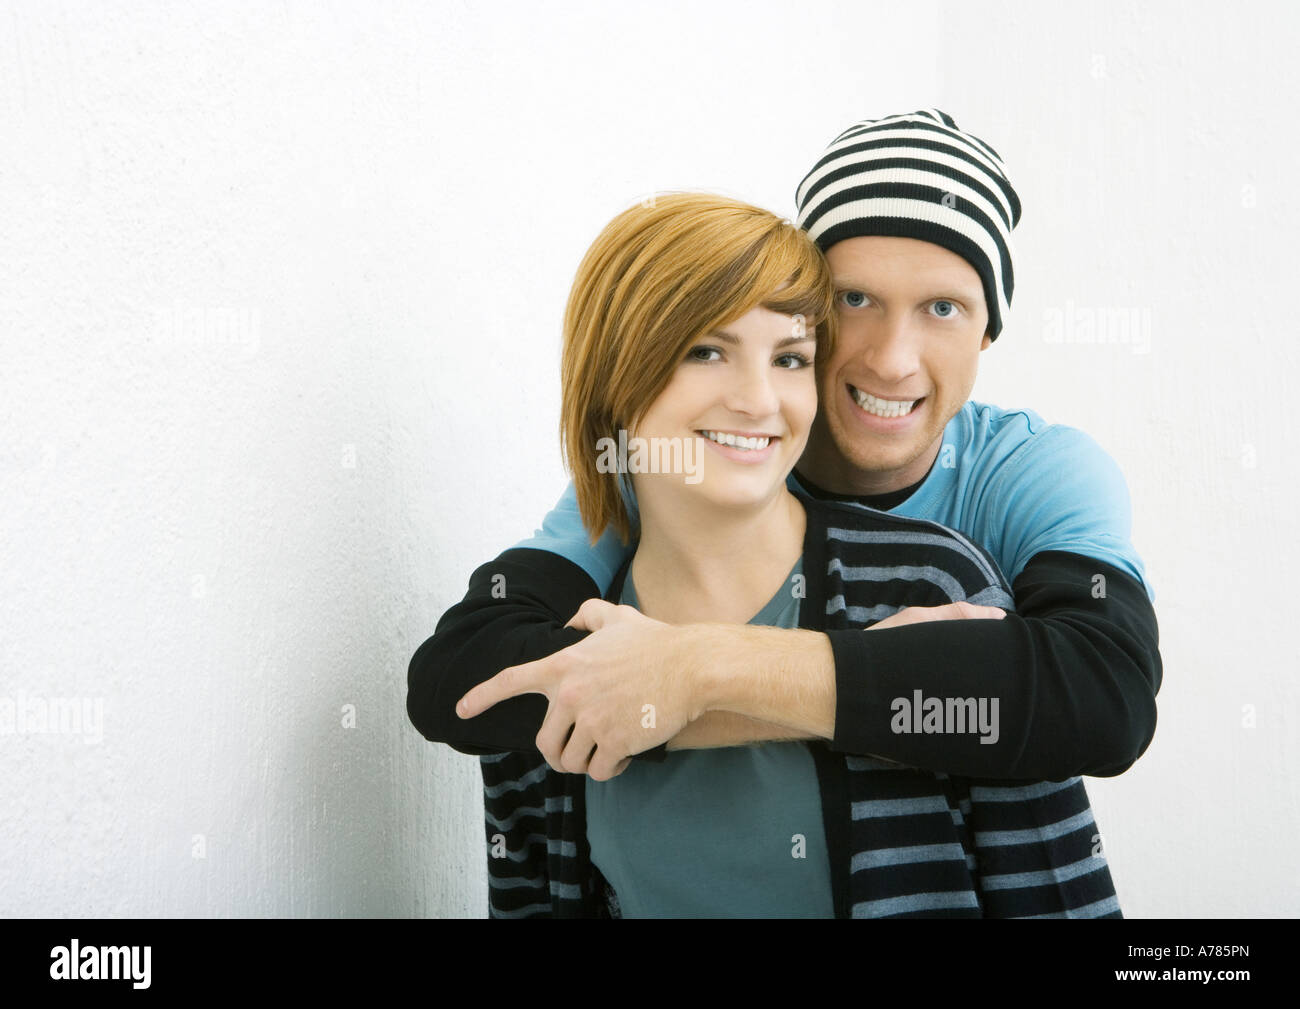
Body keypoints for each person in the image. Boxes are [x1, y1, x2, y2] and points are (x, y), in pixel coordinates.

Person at [415, 189, 1123, 918]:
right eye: (707, 350)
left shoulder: (935, 583)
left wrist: (704, 676)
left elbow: (1094, 721)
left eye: (789, 357)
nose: (758, 401)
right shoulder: (560, 664)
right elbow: (450, 685)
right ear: (614, 379)